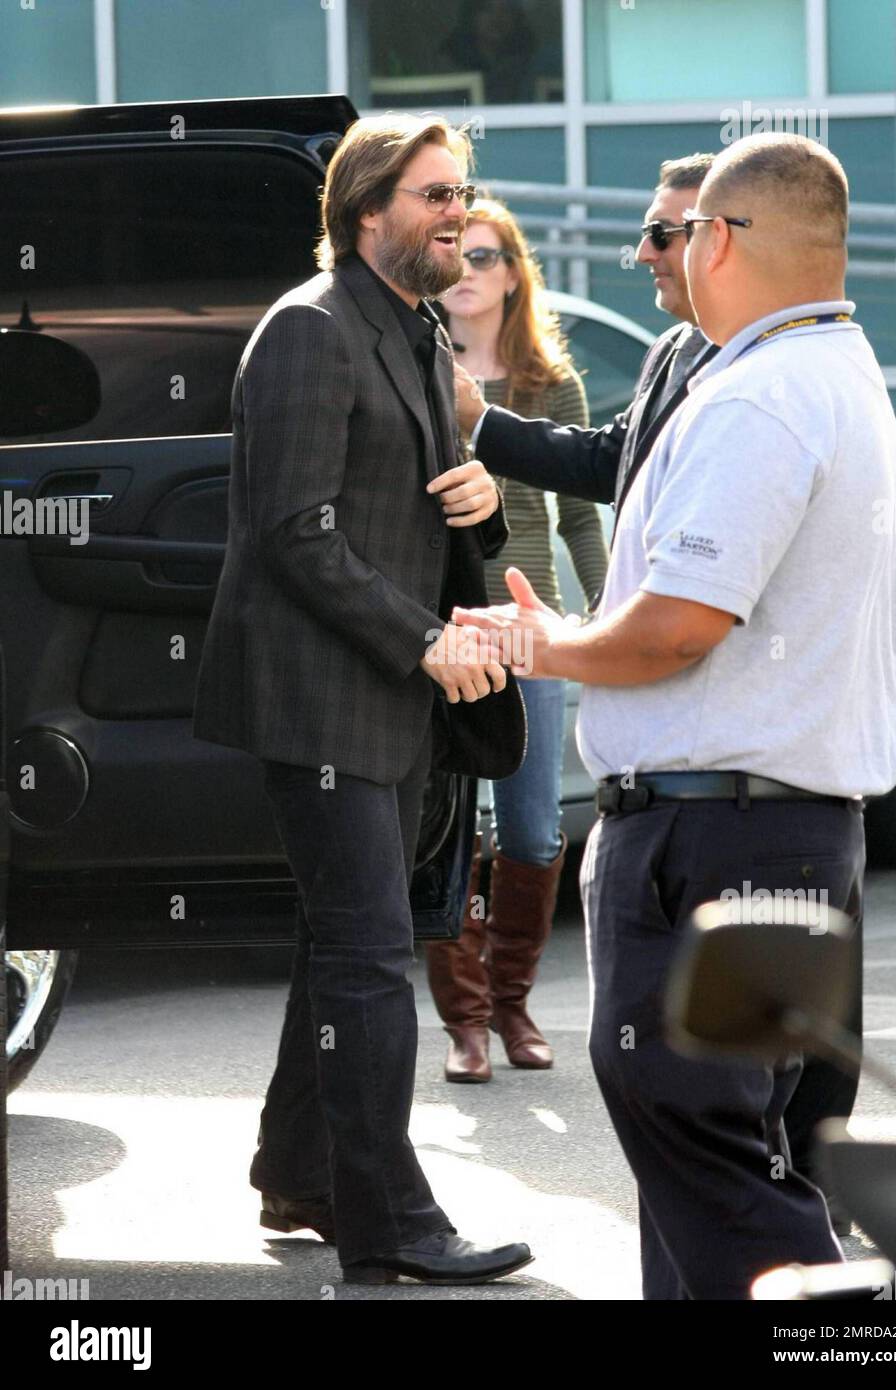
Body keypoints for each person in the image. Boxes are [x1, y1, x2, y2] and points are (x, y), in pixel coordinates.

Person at [455, 132, 896, 1299]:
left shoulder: (760, 395)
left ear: (720, 239)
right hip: (777, 831)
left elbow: (674, 628)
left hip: (716, 838)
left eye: (679, 229)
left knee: (710, 1161)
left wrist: (535, 640)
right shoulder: (825, 369)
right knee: (727, 1164)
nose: (660, 251)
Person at [192, 112, 532, 1286]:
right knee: (371, 956)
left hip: (393, 695)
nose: (461, 215)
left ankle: (301, 1172)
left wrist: (482, 503)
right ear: (367, 208)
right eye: (437, 195)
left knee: (340, 946)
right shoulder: (310, 330)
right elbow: (296, 529)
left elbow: (412, 508)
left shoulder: (422, 331)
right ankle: (391, 1224)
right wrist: (422, 638)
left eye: (463, 193)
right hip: (318, 696)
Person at [425, 197, 608, 1083]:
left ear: (513, 276)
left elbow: (581, 515)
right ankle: (464, 1024)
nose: (468, 269)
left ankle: (513, 1007)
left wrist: (605, 613)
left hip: (531, 634)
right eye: (457, 251)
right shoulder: (415, 367)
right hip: (450, 632)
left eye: (488, 255)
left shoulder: (547, 381)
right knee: (452, 832)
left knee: (534, 830)